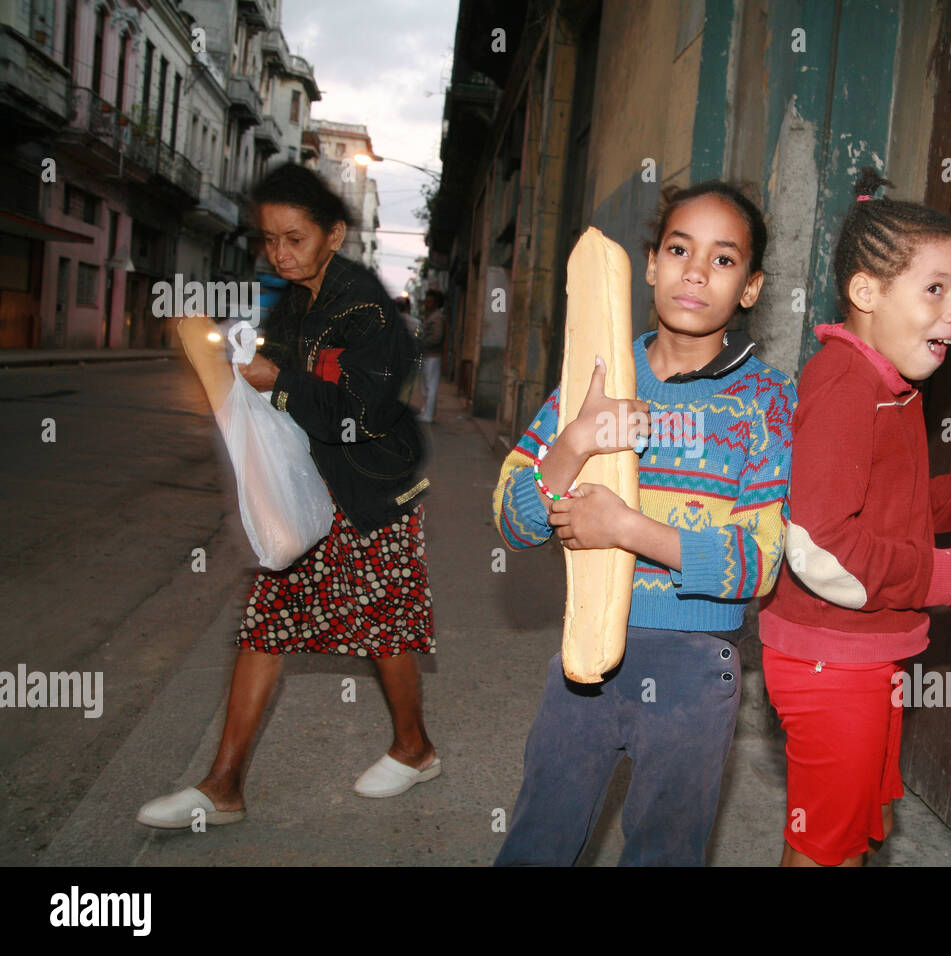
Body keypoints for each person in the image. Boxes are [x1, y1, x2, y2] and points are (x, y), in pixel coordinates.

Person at [491, 181, 796, 866]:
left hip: (696, 671)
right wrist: (575, 443)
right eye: (680, 249)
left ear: (751, 288)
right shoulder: (596, 377)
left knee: (665, 851)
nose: (695, 271)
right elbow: (515, 519)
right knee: (538, 838)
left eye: (724, 260)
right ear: (651, 262)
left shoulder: (767, 401)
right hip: (583, 660)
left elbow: (758, 563)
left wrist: (626, 528)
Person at [758, 168, 951, 867]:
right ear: (866, 293)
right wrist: (941, 578)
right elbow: (820, 542)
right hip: (830, 658)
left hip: (866, 651)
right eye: (936, 290)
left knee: (850, 834)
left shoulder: (888, 386)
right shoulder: (844, 385)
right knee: (823, 850)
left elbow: (894, 508)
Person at [137, 164, 439, 829]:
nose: (279, 253)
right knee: (267, 623)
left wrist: (275, 380)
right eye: (270, 239)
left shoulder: (365, 308)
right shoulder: (296, 297)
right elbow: (281, 387)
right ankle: (223, 786)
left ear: (334, 234)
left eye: (294, 238)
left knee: (383, 630)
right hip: (307, 488)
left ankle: (414, 748)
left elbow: (363, 411)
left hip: (371, 494)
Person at [417, 291, 446, 423]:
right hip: (428, 354)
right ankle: (427, 411)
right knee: (426, 386)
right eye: (426, 301)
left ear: (436, 303)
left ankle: (428, 415)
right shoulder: (431, 316)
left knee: (430, 386)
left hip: (432, 356)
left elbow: (436, 337)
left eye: (429, 301)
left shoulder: (437, 317)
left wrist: (421, 343)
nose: (427, 304)